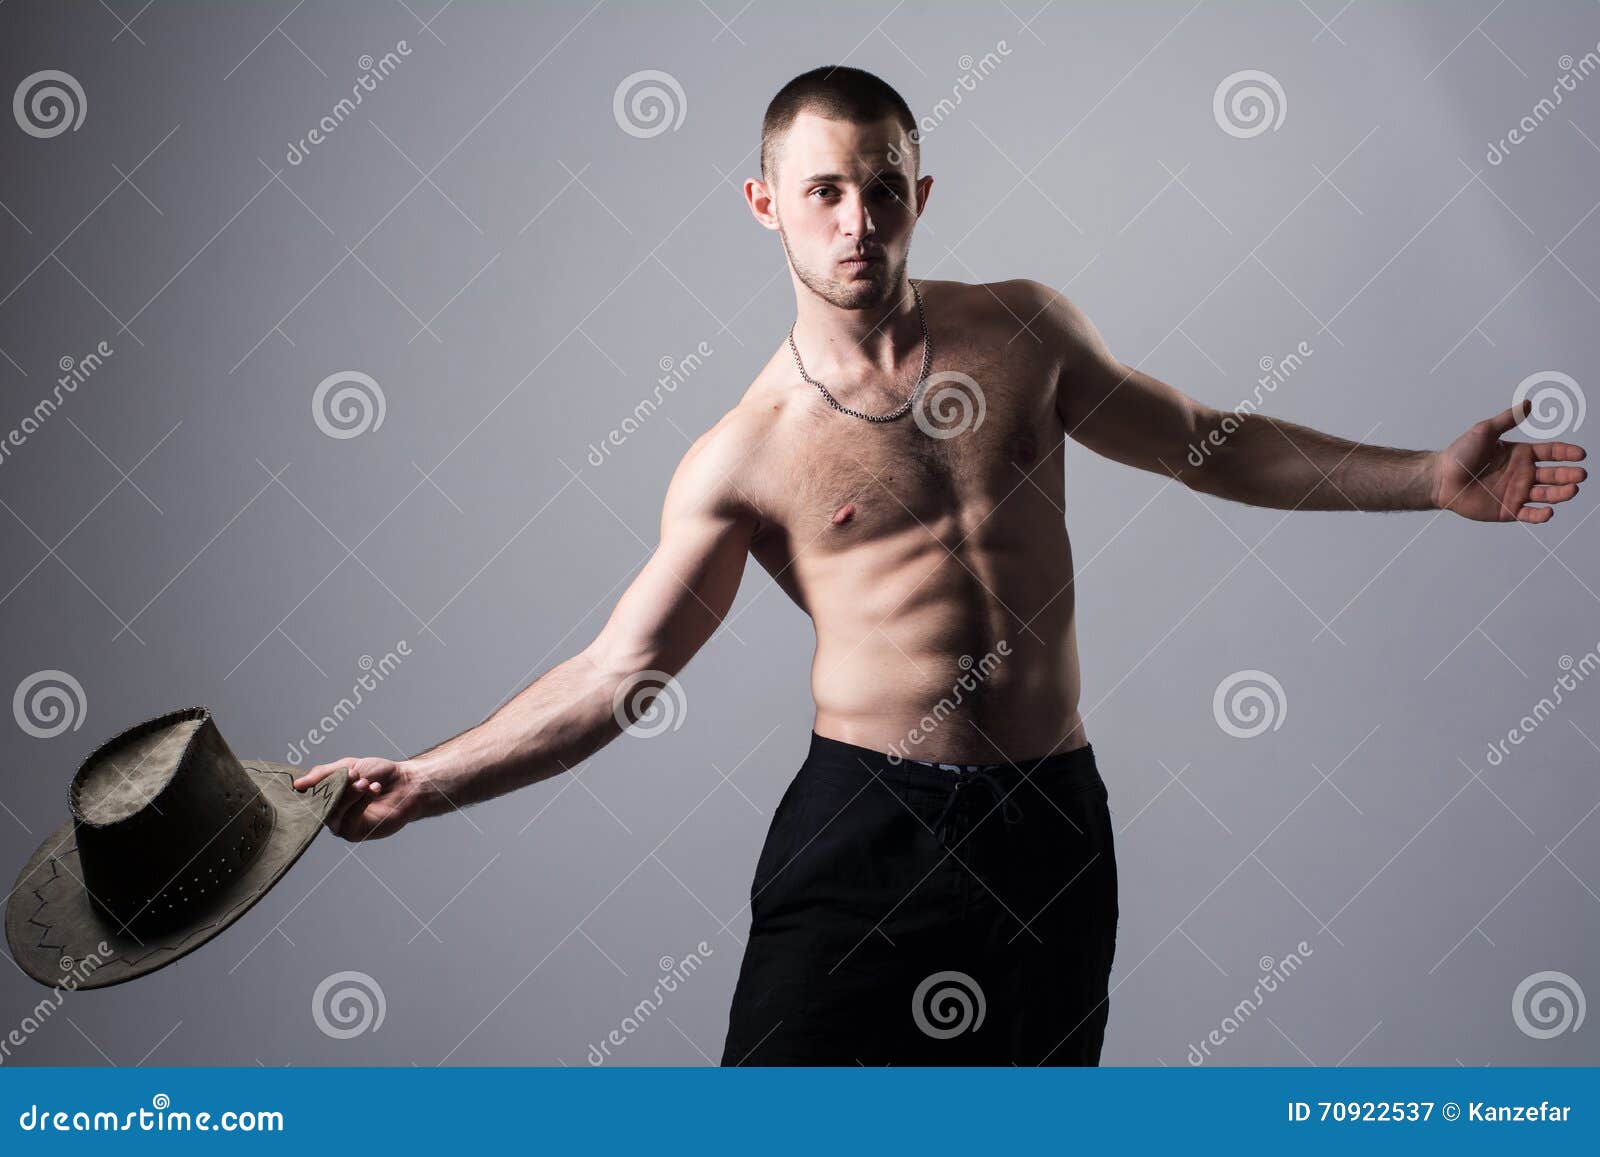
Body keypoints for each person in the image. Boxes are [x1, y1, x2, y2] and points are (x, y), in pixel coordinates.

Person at [291, 65, 1588, 1065]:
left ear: (921, 192)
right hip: (867, 832)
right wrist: (432, 778)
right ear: (765, 207)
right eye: (822, 193)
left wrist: (1423, 477)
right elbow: (620, 668)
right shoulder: (743, 456)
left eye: (881, 187)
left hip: (1051, 825)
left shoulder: (1025, 331)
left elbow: (1203, 444)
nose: (857, 222)